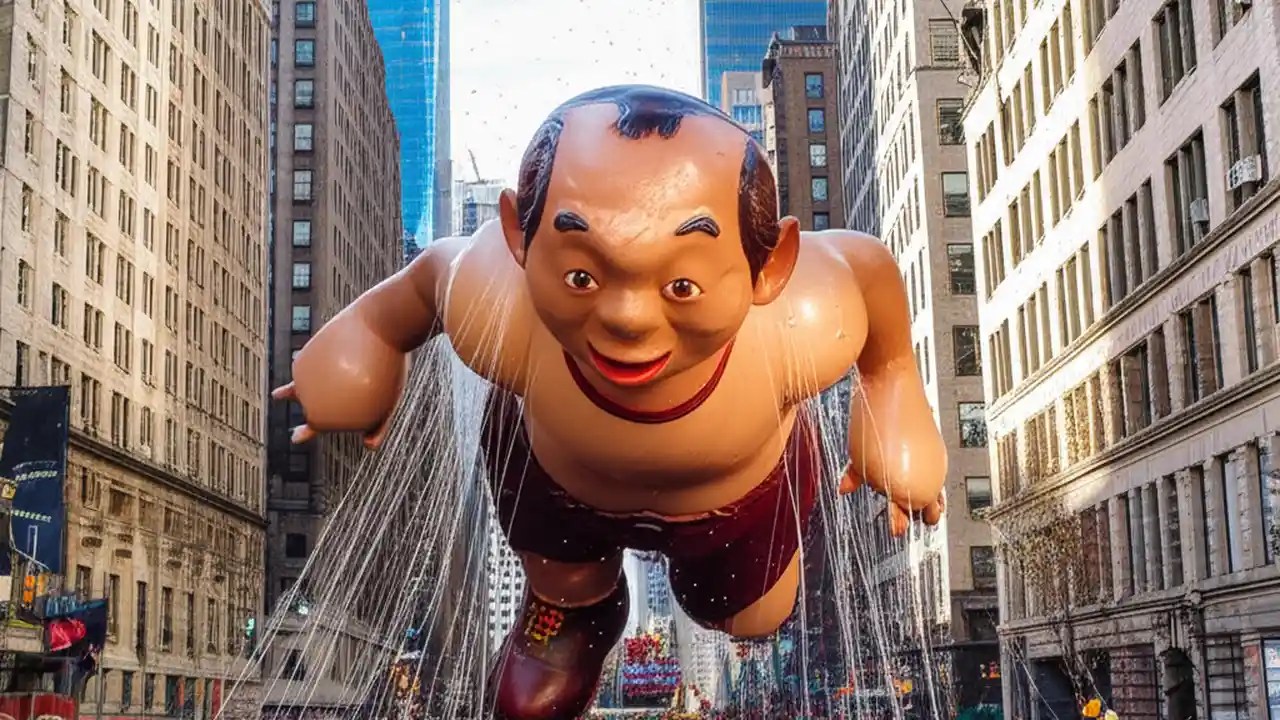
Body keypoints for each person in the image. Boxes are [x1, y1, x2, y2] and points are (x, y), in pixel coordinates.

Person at [274, 85, 947, 720]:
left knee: (751, 616)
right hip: (562, 489)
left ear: (767, 268)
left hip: (738, 505)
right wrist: (361, 349)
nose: (626, 318)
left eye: (681, 284)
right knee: (561, 578)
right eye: (581, 274)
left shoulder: (804, 313)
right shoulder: (496, 301)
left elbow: (870, 269)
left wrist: (892, 395)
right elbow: (418, 290)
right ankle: (574, 603)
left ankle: (702, 584)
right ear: (518, 236)